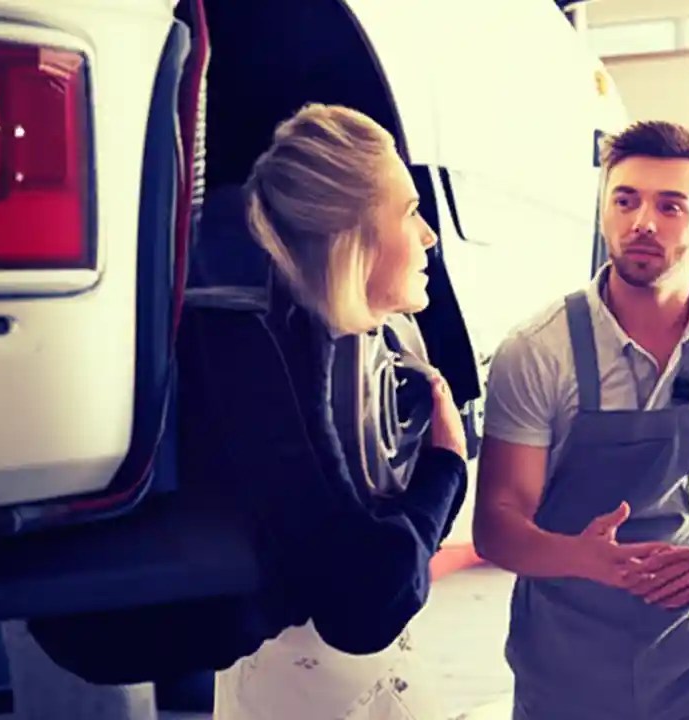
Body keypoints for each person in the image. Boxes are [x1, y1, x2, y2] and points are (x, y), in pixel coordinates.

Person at [473, 120, 689, 720]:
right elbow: (497, 524)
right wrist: (583, 558)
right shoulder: (538, 350)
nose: (643, 221)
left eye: (670, 206)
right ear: (604, 213)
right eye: (626, 200)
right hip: (566, 663)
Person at [211, 103, 469, 720]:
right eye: (410, 211)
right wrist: (446, 467)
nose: (429, 234)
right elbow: (367, 601)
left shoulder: (330, 341)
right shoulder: (279, 373)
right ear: (353, 232)